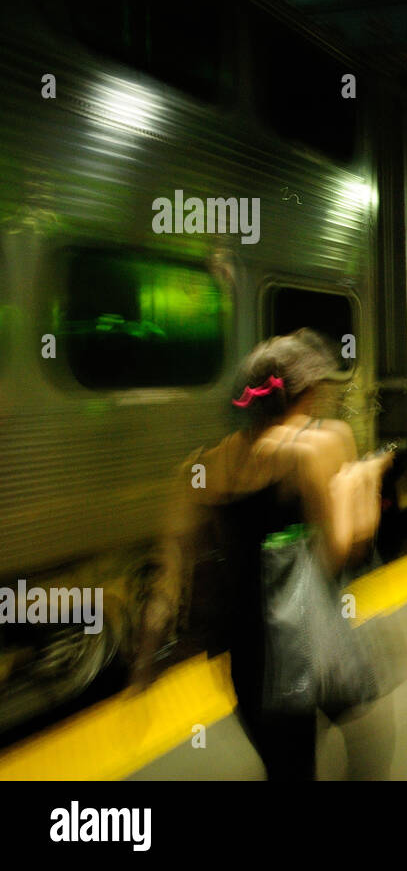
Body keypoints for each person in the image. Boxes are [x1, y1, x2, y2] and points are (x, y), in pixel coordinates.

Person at [147, 330, 394, 780]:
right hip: (303, 644)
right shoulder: (318, 444)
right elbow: (340, 551)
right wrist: (361, 484)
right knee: (362, 740)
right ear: (311, 392)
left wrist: (147, 658)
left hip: (244, 652)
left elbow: (174, 569)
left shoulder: (203, 465)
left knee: (285, 767)